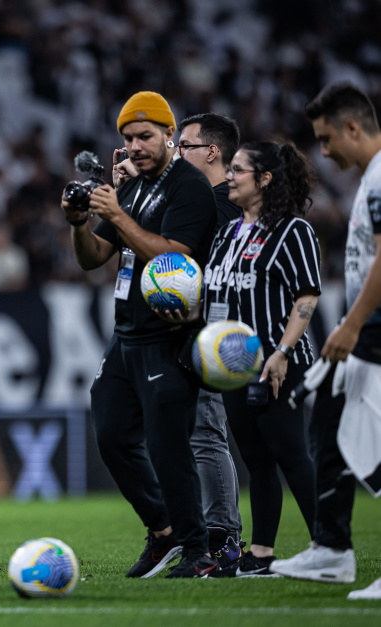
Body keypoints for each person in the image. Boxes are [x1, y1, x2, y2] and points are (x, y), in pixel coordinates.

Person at [62, 91, 218, 578]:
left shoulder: (188, 187)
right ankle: (163, 532)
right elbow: (92, 257)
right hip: (125, 336)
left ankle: (198, 551)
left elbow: (177, 258)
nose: (135, 146)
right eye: (128, 137)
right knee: (110, 435)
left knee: (168, 446)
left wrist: (116, 215)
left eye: (145, 136)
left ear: (170, 134)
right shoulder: (133, 186)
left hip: (167, 337)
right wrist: (78, 222)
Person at [270, 82, 381, 600]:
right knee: (330, 421)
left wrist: (353, 323)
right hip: (368, 325)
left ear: (353, 128)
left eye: (328, 138)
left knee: (365, 439)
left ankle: (332, 548)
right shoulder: (370, 179)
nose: (325, 150)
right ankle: (332, 550)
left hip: (374, 327)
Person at [201, 140, 321, 577]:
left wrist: (283, 352)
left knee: (291, 452)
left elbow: (307, 295)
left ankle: (330, 545)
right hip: (233, 366)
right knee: (257, 459)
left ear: (265, 179)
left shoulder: (294, 230)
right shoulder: (227, 232)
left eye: (237, 170)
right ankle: (262, 554)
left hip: (277, 361)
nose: (228, 177)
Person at [174, 113, 246, 574]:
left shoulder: (222, 200)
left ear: (212, 151)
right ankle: (204, 531)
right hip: (195, 330)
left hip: (218, 332)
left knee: (205, 431)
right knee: (196, 432)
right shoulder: (207, 198)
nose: (177, 153)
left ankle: (222, 535)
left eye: (185, 146)